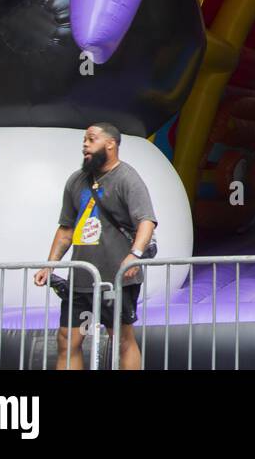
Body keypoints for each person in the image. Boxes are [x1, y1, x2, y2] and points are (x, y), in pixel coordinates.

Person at [33, 123, 157, 370]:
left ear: (110, 144)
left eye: (91, 139)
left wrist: (135, 255)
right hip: (81, 279)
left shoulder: (127, 178)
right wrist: (49, 265)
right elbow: (66, 229)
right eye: (84, 140)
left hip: (118, 279)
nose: (85, 145)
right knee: (67, 339)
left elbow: (147, 221)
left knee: (122, 340)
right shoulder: (76, 181)